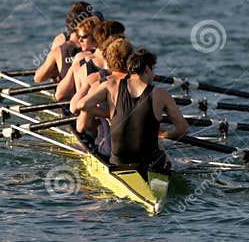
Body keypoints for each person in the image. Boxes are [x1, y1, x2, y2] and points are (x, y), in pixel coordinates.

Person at [74, 43, 188, 175]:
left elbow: (81, 105)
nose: (154, 75)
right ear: (147, 69)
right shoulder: (161, 94)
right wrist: (164, 135)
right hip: (148, 163)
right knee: (174, 160)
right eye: (153, 70)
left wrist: (110, 114)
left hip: (118, 163)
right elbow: (183, 128)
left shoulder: (110, 85)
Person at [55, 19, 125, 101]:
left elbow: (60, 96)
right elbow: (60, 94)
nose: (124, 41)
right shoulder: (123, 62)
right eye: (121, 37)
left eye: (83, 37)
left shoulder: (81, 62)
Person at [34, 2, 101, 83]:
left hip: (66, 92)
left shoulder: (58, 47)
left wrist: (54, 69)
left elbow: (37, 78)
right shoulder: (96, 45)